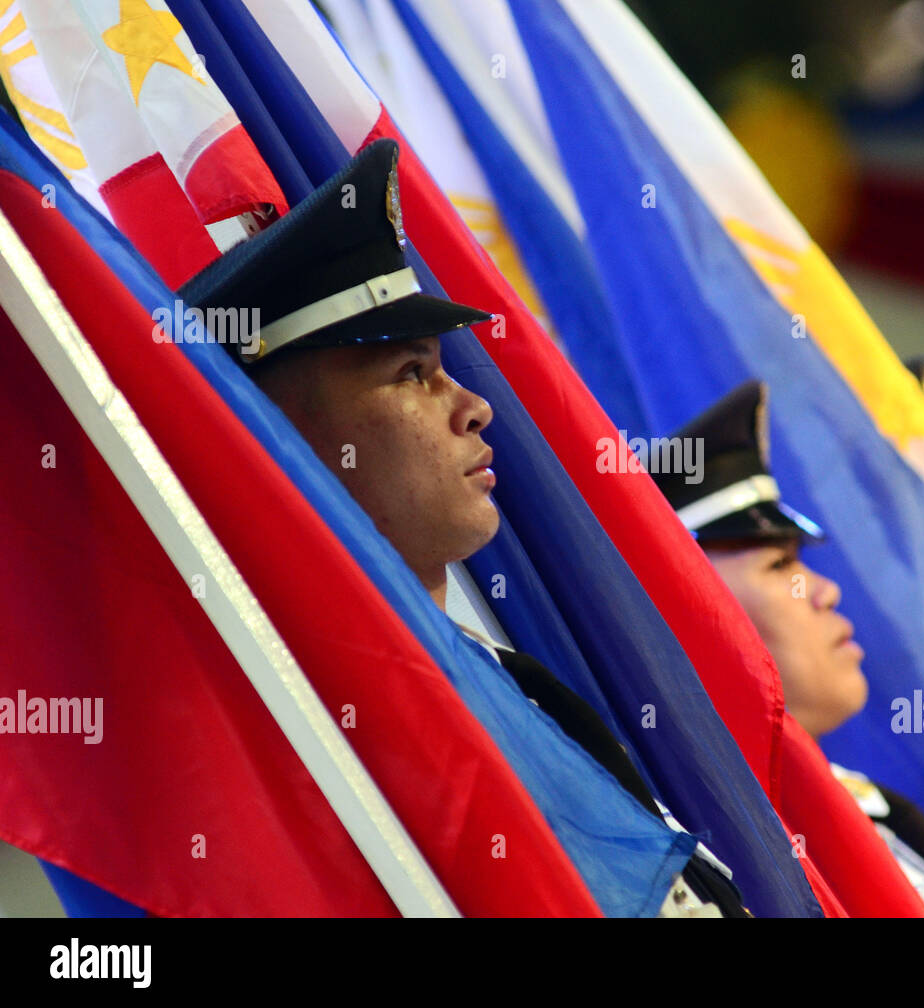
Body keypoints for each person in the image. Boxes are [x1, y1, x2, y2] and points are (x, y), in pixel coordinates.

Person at [175, 139, 745, 917]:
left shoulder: (507, 683)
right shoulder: (310, 734)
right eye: (411, 373)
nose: (474, 407)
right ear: (283, 436)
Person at [651, 380, 924, 918]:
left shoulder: (871, 806)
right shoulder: (699, 843)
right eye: (780, 565)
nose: (826, 590)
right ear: (696, 615)